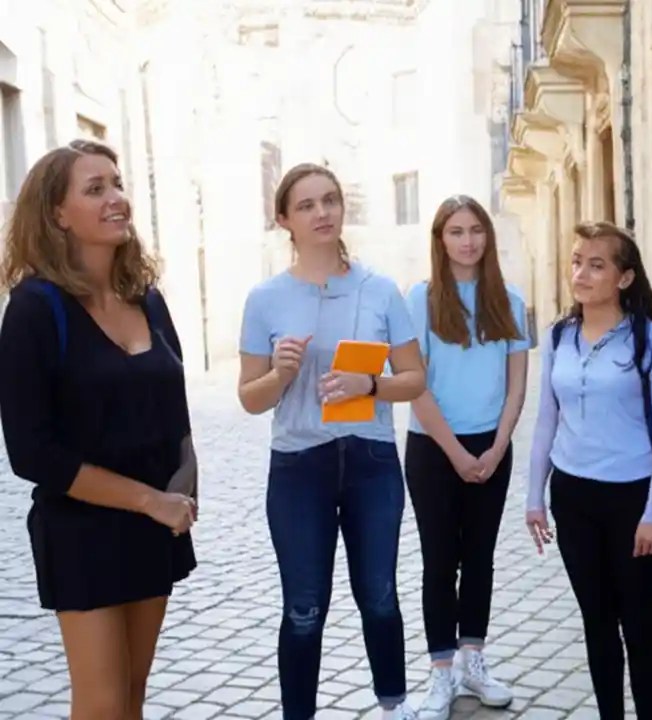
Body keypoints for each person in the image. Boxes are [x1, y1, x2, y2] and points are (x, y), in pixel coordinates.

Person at [0, 140, 196, 720]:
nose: (116, 198)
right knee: (103, 705)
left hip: (156, 525)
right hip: (83, 530)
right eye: (95, 189)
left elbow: (176, 411)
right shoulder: (35, 309)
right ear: (57, 214)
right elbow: (32, 453)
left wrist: (182, 489)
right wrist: (149, 501)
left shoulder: (149, 300)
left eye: (117, 183)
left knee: (132, 696)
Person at [237, 163, 425, 720]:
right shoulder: (265, 298)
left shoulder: (381, 289)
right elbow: (250, 397)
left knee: (380, 594)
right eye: (306, 205)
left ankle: (394, 704)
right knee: (303, 608)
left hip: (372, 460)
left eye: (330, 200)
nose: (322, 213)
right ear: (284, 220)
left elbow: (415, 379)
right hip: (298, 466)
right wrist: (280, 374)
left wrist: (370, 383)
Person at [526, 221, 652, 720]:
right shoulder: (558, 336)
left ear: (625, 277)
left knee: (638, 622)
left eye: (596, 264)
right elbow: (547, 419)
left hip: (632, 498)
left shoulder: (649, 338)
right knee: (596, 620)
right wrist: (534, 497)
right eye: (576, 262)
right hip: (573, 497)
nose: (582, 273)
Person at [404, 194, 528, 719]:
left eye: (476, 229)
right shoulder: (422, 299)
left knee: (480, 556)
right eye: (456, 231)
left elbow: (517, 385)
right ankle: (440, 673)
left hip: (491, 444)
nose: (468, 240)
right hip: (434, 449)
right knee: (440, 559)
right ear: (440, 240)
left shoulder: (510, 300)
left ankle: (473, 661)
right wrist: (456, 453)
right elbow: (416, 388)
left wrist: (498, 446)